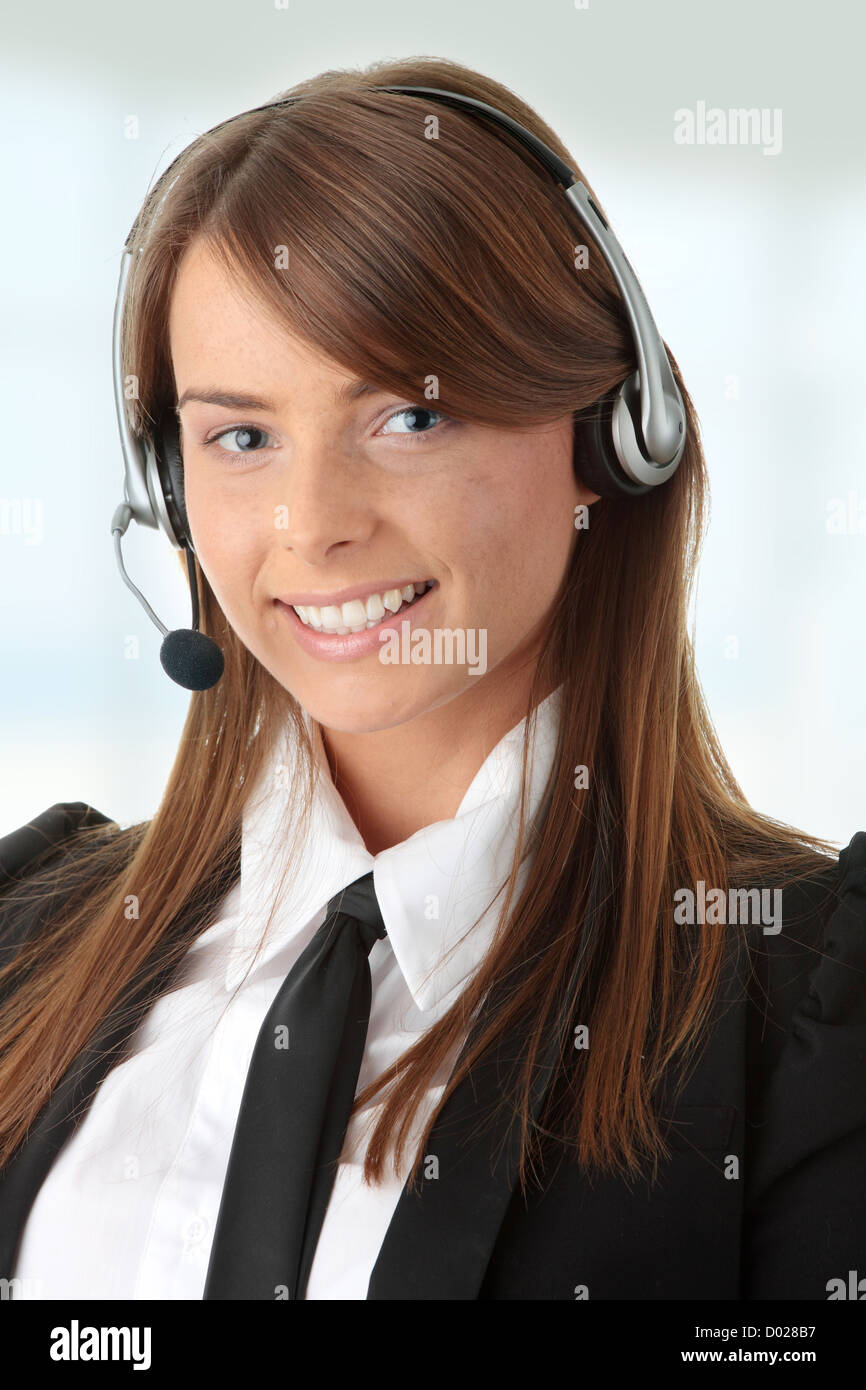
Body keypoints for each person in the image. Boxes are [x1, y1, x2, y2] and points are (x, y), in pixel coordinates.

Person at [0, 55, 863, 1302]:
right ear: (167, 492)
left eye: (408, 416)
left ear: (613, 437)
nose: (310, 524)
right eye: (240, 437)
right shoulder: (30, 933)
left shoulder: (801, 1007)